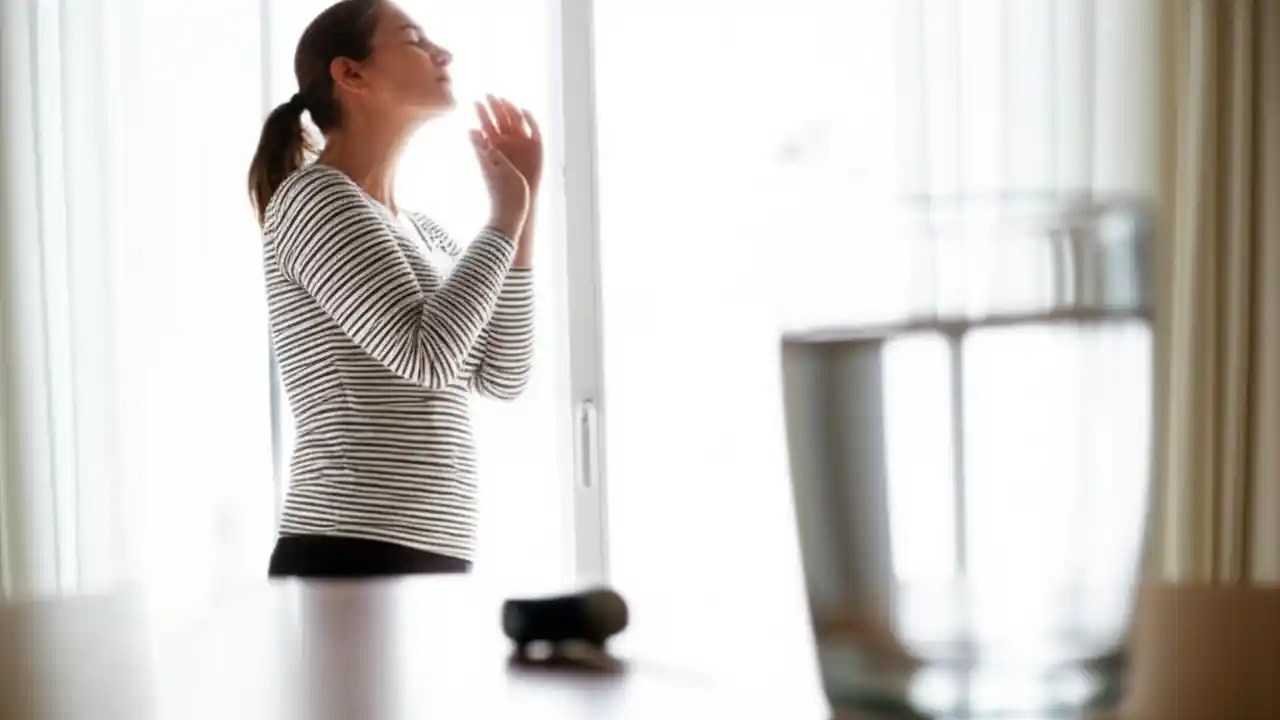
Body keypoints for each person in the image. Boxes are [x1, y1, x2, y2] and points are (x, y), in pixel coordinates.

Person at [246, 0, 540, 578]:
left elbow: (503, 376)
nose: (442, 53)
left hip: (435, 549)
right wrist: (503, 219)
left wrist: (522, 210)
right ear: (351, 73)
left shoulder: (424, 233)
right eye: (413, 39)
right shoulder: (314, 199)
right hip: (348, 545)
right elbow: (426, 356)